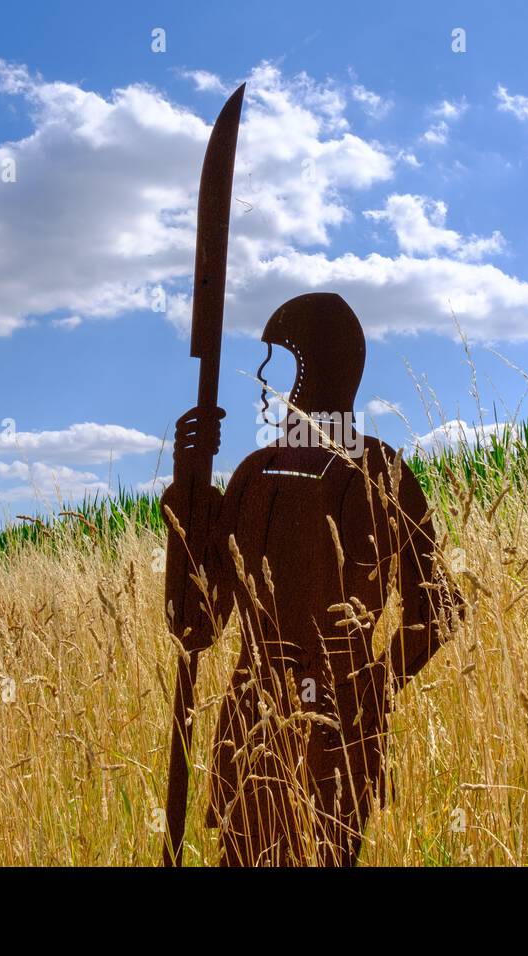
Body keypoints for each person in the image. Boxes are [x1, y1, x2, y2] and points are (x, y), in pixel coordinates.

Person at [162, 292, 462, 866]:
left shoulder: (378, 471)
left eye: (278, 360)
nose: (262, 376)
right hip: (251, 724)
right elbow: (194, 627)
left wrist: (375, 682)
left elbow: (440, 605)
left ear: (312, 368)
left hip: (337, 730)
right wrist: (192, 491)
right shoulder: (252, 476)